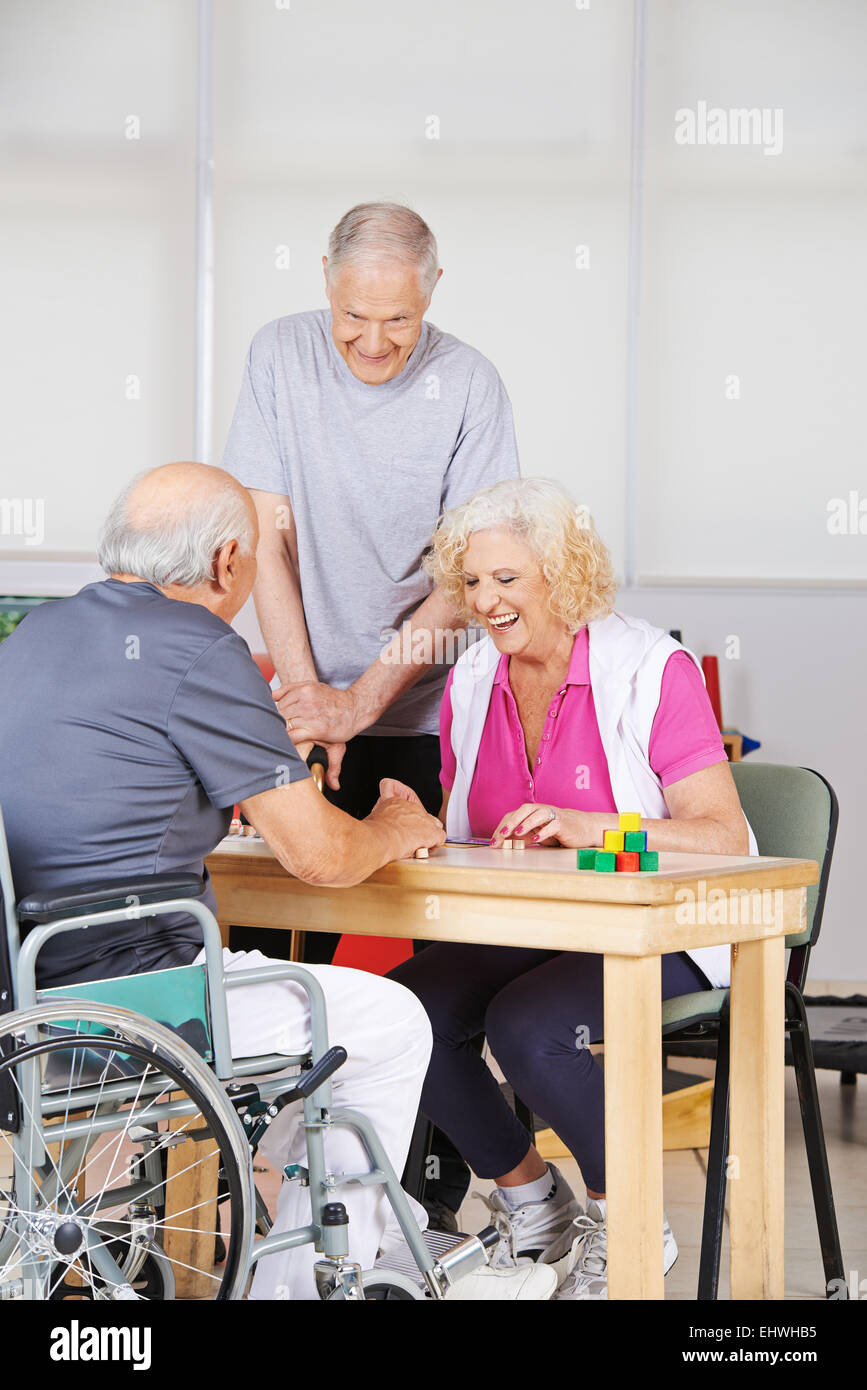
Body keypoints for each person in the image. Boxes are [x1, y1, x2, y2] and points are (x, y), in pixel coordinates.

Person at [0, 462, 555, 1300]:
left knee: (312, 1038)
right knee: (391, 1019)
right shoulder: (196, 644)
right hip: (139, 998)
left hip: (25, 994)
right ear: (229, 562)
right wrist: (396, 825)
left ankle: (325, 1227)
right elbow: (321, 858)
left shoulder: (33, 635)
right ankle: (312, 1280)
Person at [222, 200, 520, 1227]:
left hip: (426, 706)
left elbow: (464, 572)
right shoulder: (278, 357)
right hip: (304, 709)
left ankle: (422, 1196)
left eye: (397, 320)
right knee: (268, 938)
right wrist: (310, 700)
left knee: (418, 952)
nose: (374, 342)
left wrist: (362, 697)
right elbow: (264, 536)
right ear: (325, 284)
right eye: (355, 318)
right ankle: (265, 1187)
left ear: (432, 289)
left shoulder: (470, 383)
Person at [388, 476, 757, 1300]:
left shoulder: (648, 668)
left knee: (529, 1024)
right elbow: (468, 832)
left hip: (664, 926)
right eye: (474, 581)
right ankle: (532, 1203)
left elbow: (720, 835)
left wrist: (596, 826)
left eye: (507, 579)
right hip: (535, 924)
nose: (486, 600)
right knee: (401, 1011)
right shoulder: (473, 679)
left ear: (560, 574)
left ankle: (625, 1220)